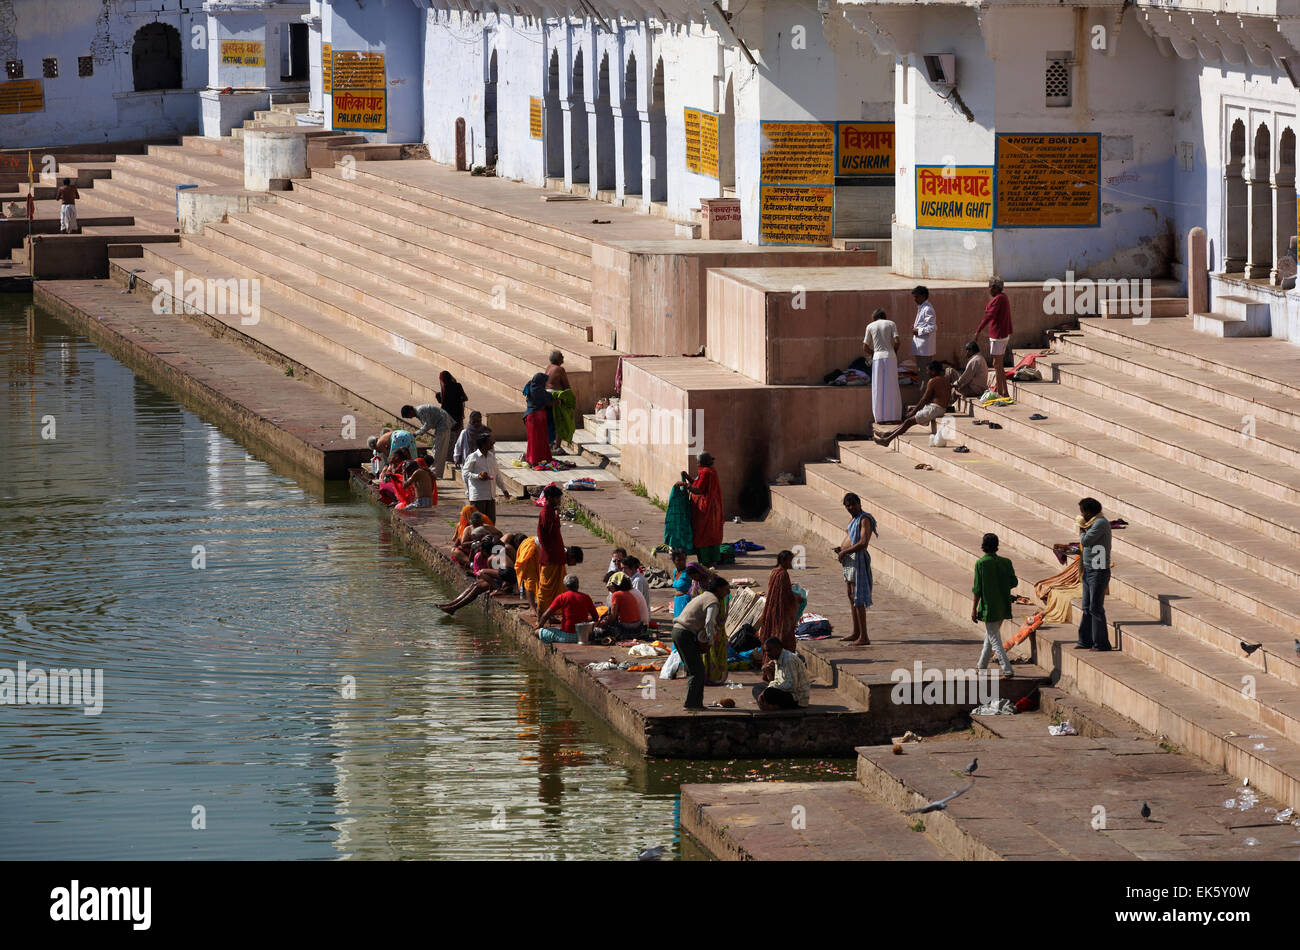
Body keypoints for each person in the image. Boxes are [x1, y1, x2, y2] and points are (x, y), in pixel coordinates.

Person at [671, 577, 730, 709]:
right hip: (685, 634)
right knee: (697, 671)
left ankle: (695, 702)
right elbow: (709, 622)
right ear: (719, 589)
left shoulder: (703, 596)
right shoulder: (713, 601)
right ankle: (692, 704)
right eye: (726, 589)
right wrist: (710, 641)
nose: (728, 592)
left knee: (694, 669)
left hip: (678, 631)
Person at [971, 532, 1017, 677]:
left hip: (989, 608)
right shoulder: (1006, 562)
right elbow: (1014, 582)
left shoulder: (981, 563)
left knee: (995, 640)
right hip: (1003, 605)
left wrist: (973, 609)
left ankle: (1007, 669)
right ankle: (981, 666)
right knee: (990, 637)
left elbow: (977, 589)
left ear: (983, 546)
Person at [875, 361, 953, 446]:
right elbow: (932, 398)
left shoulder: (933, 381)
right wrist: (917, 409)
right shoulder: (944, 380)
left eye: (928, 370)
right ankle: (887, 434)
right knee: (907, 422)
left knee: (908, 422)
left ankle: (887, 440)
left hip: (936, 409)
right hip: (939, 408)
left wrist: (914, 411)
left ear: (934, 370)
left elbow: (924, 399)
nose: (927, 373)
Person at [437, 536, 520, 614]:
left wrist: (496, 589)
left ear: (485, 551)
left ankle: (453, 607)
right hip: (503, 578)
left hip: (503, 581)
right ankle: (452, 604)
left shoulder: (493, 557)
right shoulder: (499, 554)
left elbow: (496, 574)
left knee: (478, 585)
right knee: (475, 584)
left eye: (481, 550)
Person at [835, 492, 877, 645]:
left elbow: (863, 543)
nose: (851, 507)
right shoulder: (853, 519)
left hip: (857, 560)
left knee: (857, 597)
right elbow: (851, 538)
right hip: (848, 560)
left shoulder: (865, 519)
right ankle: (856, 632)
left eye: (853, 504)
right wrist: (841, 548)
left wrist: (845, 551)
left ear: (860, 503)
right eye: (848, 505)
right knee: (851, 596)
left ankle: (864, 636)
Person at [1075, 497, 1113, 652]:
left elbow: (1086, 541)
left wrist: (1081, 529)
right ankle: (1085, 641)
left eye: (1083, 512)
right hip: (1088, 568)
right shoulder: (1093, 523)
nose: (1081, 515)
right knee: (1086, 607)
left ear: (1089, 512)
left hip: (1098, 571)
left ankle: (1101, 643)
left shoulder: (1100, 523)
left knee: (1095, 608)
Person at [680, 452, 724, 566]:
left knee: (702, 534)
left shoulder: (705, 472)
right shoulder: (711, 471)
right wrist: (688, 478)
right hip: (713, 508)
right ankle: (714, 559)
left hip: (705, 509)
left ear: (701, 462)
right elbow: (698, 484)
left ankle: (705, 560)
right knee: (712, 534)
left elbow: (698, 489)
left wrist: (686, 486)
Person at [972, 277, 1012, 398]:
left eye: (990, 287)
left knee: (998, 365)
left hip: (998, 335)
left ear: (994, 288)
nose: (989, 289)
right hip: (1003, 335)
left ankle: (1002, 392)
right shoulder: (1003, 297)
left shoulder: (999, 299)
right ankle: (1003, 391)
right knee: (997, 364)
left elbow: (989, 316)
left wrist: (978, 331)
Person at [863, 308, 901, 427]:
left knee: (878, 387)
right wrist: (894, 352)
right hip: (890, 356)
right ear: (884, 316)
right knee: (892, 386)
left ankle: (879, 418)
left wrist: (873, 352)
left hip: (877, 357)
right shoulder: (891, 323)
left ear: (874, 318)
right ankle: (894, 417)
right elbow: (897, 341)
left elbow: (864, 347)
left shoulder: (870, 326)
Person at [756, 550, 799, 654]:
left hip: (771, 609)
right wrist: (797, 598)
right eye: (790, 561)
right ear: (784, 561)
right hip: (781, 612)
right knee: (784, 637)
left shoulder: (774, 572)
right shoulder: (783, 574)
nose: (792, 563)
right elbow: (786, 596)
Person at [536, 484, 569, 616]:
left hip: (556, 555)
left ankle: (550, 615)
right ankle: (540, 616)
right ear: (550, 498)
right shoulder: (546, 513)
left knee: (557, 588)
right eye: (557, 498)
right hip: (550, 556)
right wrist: (557, 517)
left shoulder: (551, 512)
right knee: (545, 587)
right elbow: (549, 532)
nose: (559, 501)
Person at [462, 432, 509, 522]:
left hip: (490, 496)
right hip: (478, 496)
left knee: (490, 522)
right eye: (490, 442)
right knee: (478, 524)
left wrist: (504, 489)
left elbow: (497, 475)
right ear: (483, 444)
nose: (492, 443)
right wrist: (477, 476)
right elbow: (465, 473)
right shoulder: (473, 457)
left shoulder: (491, 456)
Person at [401, 403, 454, 480]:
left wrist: (417, 433)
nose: (410, 418)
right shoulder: (419, 412)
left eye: (408, 416)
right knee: (439, 449)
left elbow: (427, 425)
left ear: (410, 411)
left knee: (438, 450)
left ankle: (435, 473)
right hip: (441, 425)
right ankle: (437, 473)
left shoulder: (420, 411)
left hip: (443, 425)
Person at [756, 637, 811, 710]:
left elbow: (791, 685)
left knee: (768, 693)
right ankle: (768, 703)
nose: (767, 654)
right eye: (766, 651)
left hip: (797, 698)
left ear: (778, 648)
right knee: (757, 689)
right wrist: (768, 674)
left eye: (769, 650)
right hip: (786, 692)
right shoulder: (777, 658)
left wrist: (768, 690)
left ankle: (773, 705)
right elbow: (777, 681)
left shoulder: (788, 660)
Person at [597, 573, 647, 639]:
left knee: (603, 628)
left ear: (616, 584)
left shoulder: (616, 595)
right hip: (638, 627)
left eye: (610, 585)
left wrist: (602, 625)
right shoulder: (629, 593)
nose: (608, 589)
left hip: (627, 627)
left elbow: (613, 616)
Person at [546, 350, 576, 451]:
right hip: (555, 396)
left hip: (547, 395)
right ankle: (557, 446)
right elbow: (566, 386)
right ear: (558, 359)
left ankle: (551, 444)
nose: (563, 357)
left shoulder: (548, 367)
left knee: (551, 421)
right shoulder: (560, 369)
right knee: (560, 420)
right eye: (561, 356)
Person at [522, 373, 553, 466]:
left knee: (541, 439)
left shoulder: (534, 387)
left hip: (536, 418)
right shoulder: (537, 391)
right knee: (535, 440)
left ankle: (540, 458)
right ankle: (534, 460)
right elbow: (547, 401)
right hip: (534, 418)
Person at [911, 285, 937, 373]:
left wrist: (918, 330)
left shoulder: (928, 309)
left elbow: (932, 327)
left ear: (923, 296)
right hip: (921, 348)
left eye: (917, 297)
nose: (915, 299)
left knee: (924, 372)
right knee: (921, 371)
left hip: (925, 349)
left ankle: (926, 387)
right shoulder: (921, 308)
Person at [436, 371, 469, 437]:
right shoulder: (458, 385)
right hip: (458, 417)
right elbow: (465, 398)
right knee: (459, 438)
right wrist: (458, 401)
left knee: (450, 441)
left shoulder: (445, 389)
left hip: (448, 419)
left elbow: (443, 403)